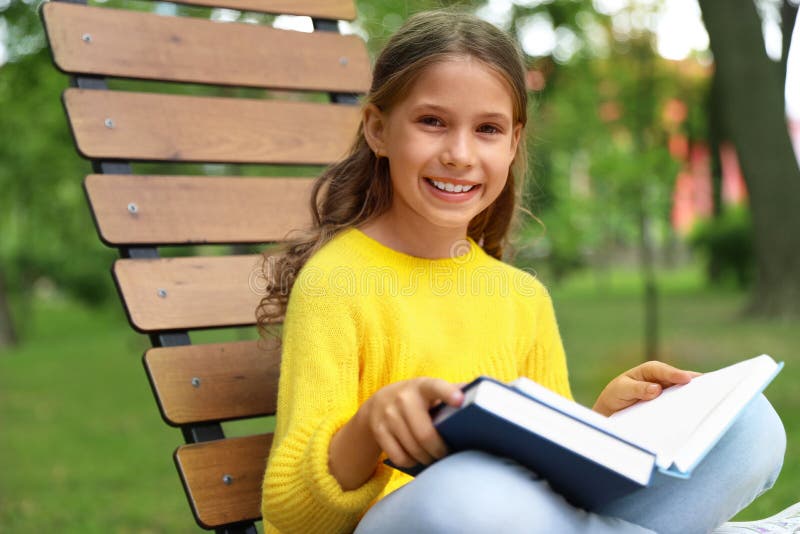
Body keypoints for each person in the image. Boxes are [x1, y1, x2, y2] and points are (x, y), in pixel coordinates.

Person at [257, 10, 787, 534]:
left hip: (518, 519)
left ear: (512, 144)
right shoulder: (335, 283)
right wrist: (370, 425)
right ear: (378, 129)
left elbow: (555, 485)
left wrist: (603, 422)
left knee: (751, 426)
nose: (459, 154)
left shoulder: (520, 297)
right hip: (430, 516)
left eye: (487, 129)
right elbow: (292, 516)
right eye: (432, 122)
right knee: (466, 488)